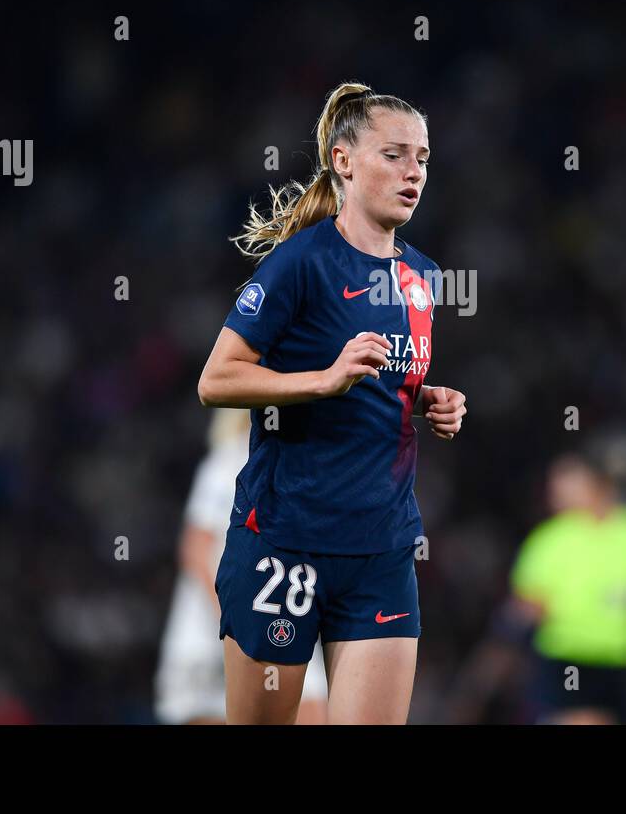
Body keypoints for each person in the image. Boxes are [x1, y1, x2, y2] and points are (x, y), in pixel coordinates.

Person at [196, 82, 467, 724]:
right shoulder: (300, 264)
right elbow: (217, 379)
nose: (414, 172)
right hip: (284, 544)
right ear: (343, 161)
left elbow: (386, 384)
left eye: (423, 158)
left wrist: (429, 400)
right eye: (395, 154)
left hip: (382, 549)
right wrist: (322, 379)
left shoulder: (424, 277)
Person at [461, 436, 626, 724]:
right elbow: (526, 607)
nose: (555, 492)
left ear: (596, 484)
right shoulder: (550, 540)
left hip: (624, 661)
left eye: (566, 483)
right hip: (565, 658)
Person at [154, 408, 328, 724]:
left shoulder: (308, 471)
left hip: (284, 621)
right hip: (211, 635)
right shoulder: (228, 463)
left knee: (312, 709)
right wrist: (234, 620)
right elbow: (195, 549)